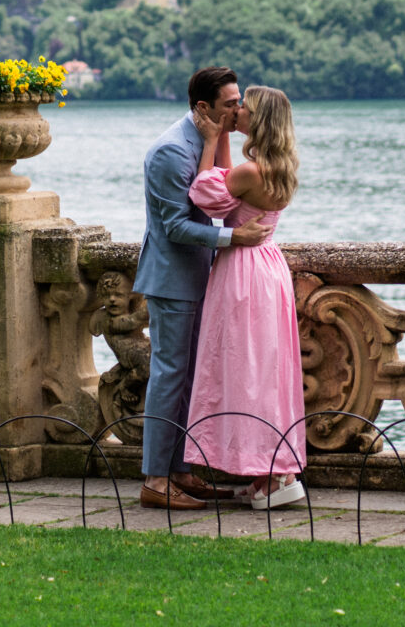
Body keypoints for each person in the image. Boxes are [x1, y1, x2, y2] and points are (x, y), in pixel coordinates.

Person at [134, 67, 273, 510]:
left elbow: (222, 193)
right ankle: (155, 480)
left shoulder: (205, 140)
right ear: (203, 108)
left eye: (239, 101)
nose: (239, 109)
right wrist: (235, 239)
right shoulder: (171, 153)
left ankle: (181, 472)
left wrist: (224, 137)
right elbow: (174, 226)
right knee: (169, 376)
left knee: (190, 379)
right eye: (230, 104)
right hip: (172, 280)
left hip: (201, 277)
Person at [184, 85, 307, 509]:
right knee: (266, 373)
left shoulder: (251, 174)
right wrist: (223, 139)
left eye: (245, 109)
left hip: (242, 271)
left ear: (260, 121)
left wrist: (209, 141)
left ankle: (267, 474)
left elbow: (205, 193)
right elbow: (229, 182)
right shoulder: (279, 167)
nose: (238, 111)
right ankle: (272, 470)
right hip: (269, 267)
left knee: (243, 370)